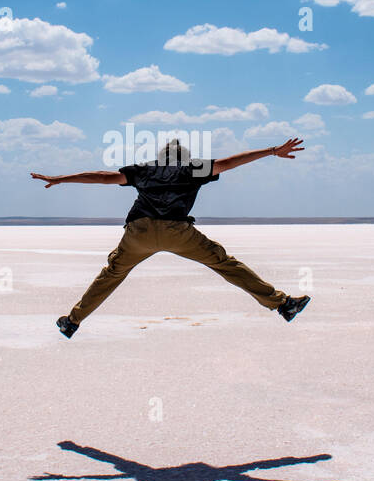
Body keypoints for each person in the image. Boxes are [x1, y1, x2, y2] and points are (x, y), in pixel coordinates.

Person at [30, 137, 311, 338]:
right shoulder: (193, 169)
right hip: (178, 233)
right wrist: (273, 150)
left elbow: (104, 177)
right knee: (225, 264)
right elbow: (228, 163)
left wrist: (61, 178)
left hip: (139, 233)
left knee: (112, 274)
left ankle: (72, 322)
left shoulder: (145, 170)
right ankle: (283, 304)